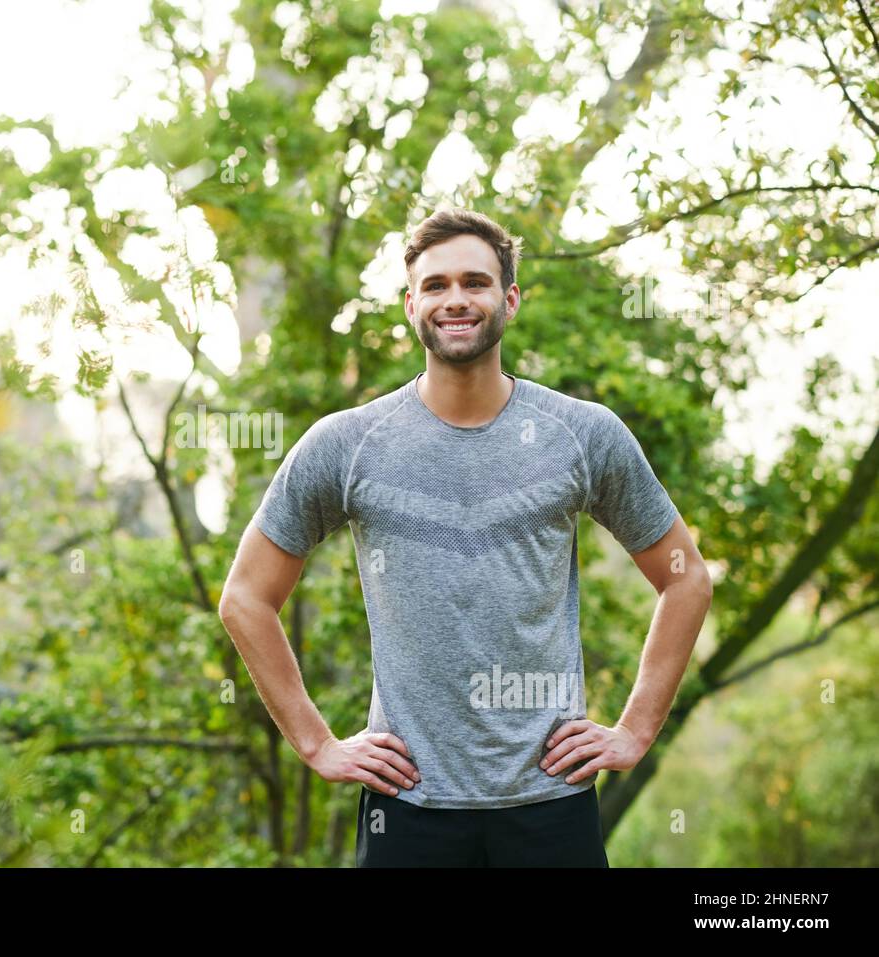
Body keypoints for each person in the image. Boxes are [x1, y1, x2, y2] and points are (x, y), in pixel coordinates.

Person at [217, 207, 713, 867]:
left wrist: (634, 730)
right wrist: (317, 743)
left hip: (551, 804)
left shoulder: (582, 434)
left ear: (508, 298)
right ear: (411, 304)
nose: (457, 298)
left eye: (475, 282)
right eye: (437, 284)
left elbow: (686, 577)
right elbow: (246, 597)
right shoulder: (347, 444)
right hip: (408, 808)